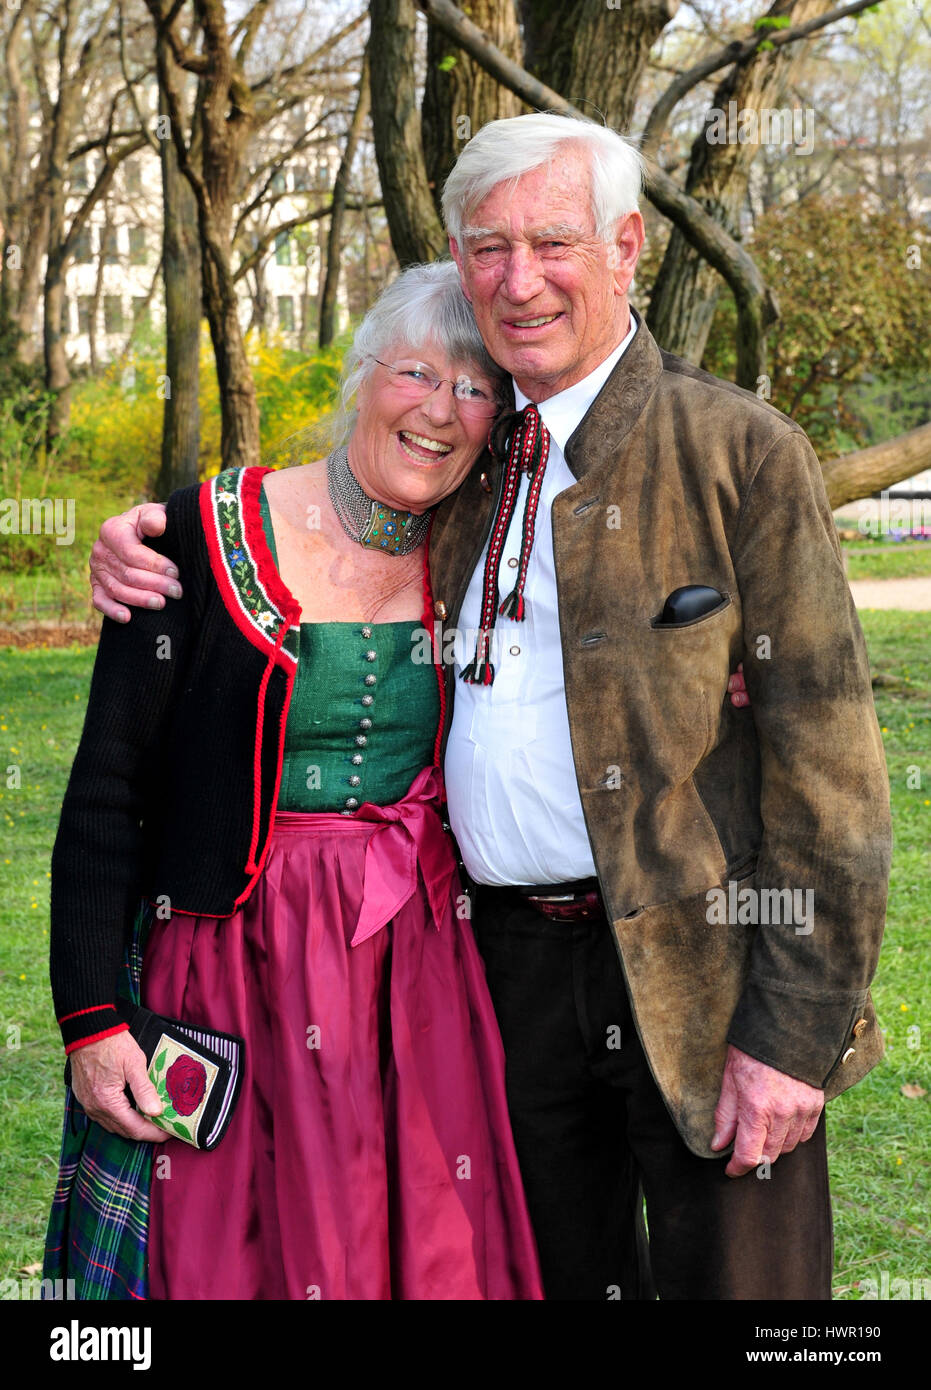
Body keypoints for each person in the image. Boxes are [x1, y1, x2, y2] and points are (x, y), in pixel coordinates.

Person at [87, 113, 890, 1302]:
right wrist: (150, 536)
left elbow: (831, 774)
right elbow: (319, 528)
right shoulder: (464, 451)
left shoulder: (738, 451)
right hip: (495, 975)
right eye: (488, 248)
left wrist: (790, 1037)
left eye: (553, 244)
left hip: (700, 968)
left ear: (627, 247)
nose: (519, 283)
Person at [44, 261, 545, 1301]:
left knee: (420, 1241)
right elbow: (106, 791)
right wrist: (92, 1019)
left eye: (473, 389)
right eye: (416, 373)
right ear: (363, 374)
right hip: (227, 963)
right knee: (221, 1249)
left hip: (415, 966)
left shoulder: (490, 553)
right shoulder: (197, 533)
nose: (439, 411)